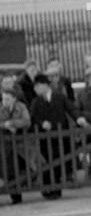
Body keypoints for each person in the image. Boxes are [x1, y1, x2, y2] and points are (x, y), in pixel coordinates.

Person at [29, 73, 77, 198]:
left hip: (61, 136)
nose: (35, 90)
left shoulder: (59, 97)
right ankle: (47, 189)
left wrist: (79, 118)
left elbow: (71, 109)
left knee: (59, 162)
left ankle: (56, 189)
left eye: (37, 86)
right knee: (47, 162)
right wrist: (41, 123)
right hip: (45, 138)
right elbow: (32, 118)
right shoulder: (36, 102)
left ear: (44, 85)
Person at [1, 76, 30, 204]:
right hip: (4, 144)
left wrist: (12, 123)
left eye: (7, 99)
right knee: (5, 168)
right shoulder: (1, 109)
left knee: (15, 169)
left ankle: (16, 196)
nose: (4, 101)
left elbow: (26, 121)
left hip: (20, 143)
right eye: (3, 99)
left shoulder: (21, 107)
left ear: (13, 98)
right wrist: (5, 125)